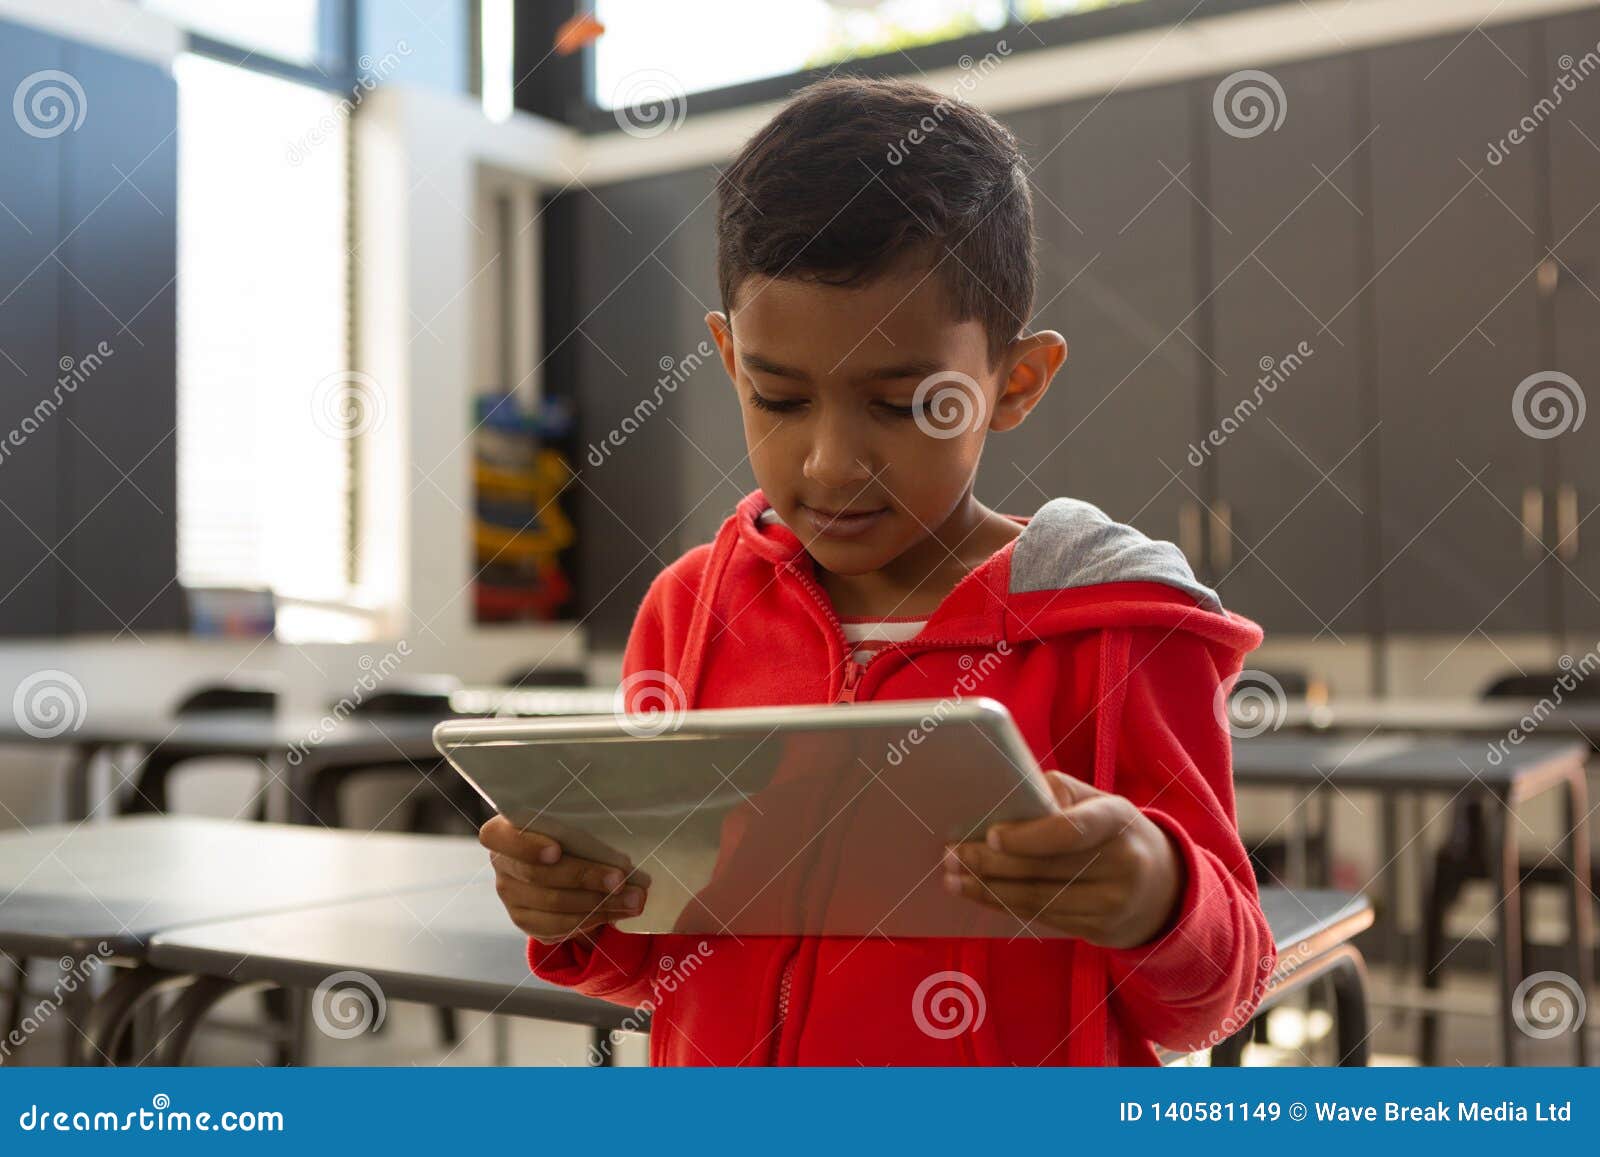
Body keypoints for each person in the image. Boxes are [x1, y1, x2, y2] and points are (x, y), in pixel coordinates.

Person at [481, 75, 1275, 1066]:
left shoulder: (1117, 626)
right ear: (729, 362)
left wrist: (1159, 892)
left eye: (900, 405)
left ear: (1013, 382)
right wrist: (574, 904)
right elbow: (652, 961)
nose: (828, 463)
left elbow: (1218, 991)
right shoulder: (688, 610)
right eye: (778, 398)